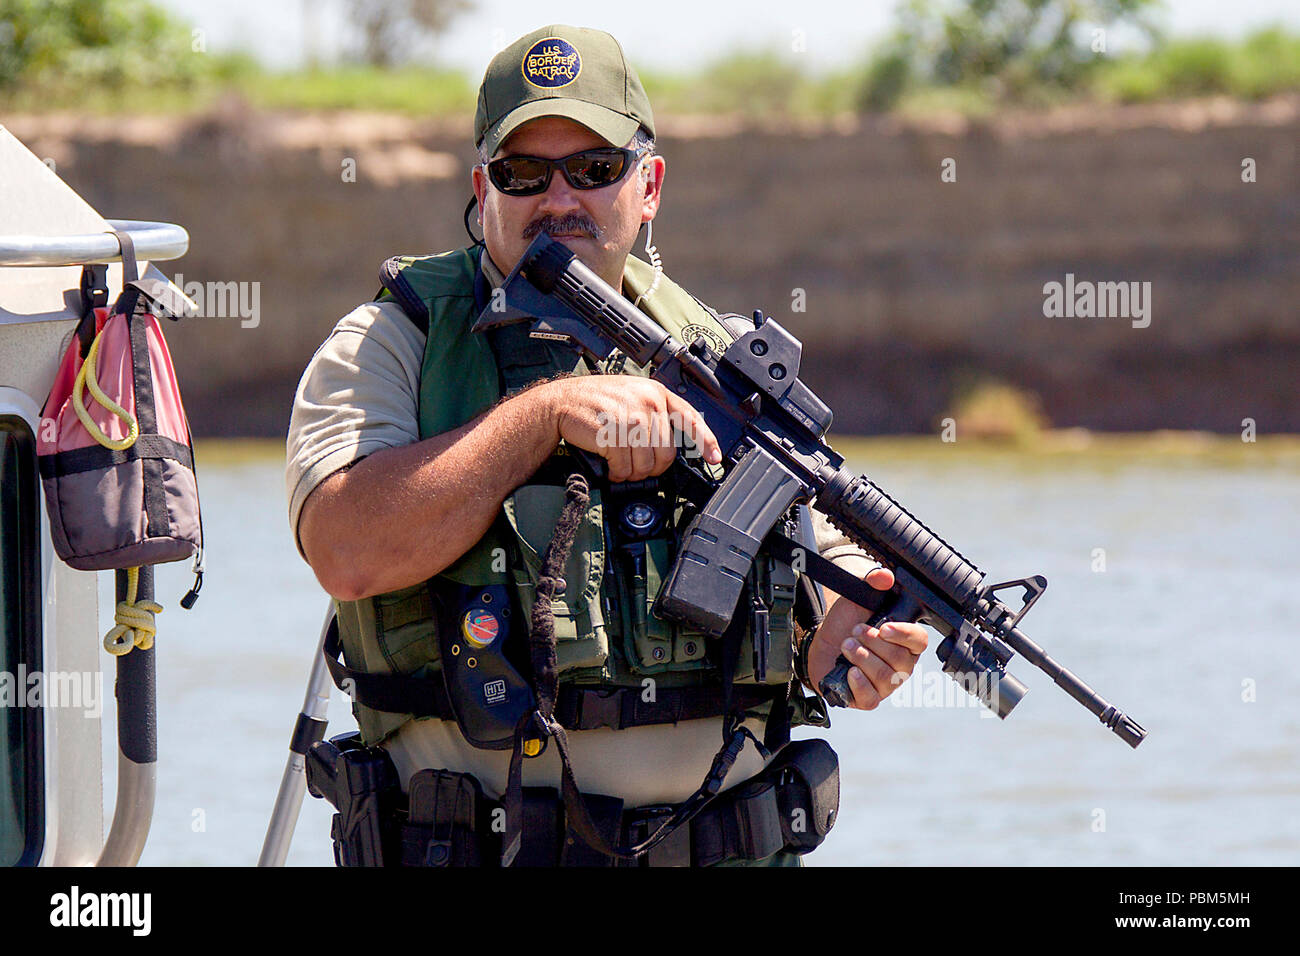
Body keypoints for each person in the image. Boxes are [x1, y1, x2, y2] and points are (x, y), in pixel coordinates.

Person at [286, 23, 928, 867]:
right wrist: (544, 416)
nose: (560, 199)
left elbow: (817, 587)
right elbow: (347, 549)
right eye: (524, 174)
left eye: (594, 170)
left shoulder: (724, 360)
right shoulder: (393, 339)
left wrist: (851, 639)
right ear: (483, 189)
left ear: (649, 184)